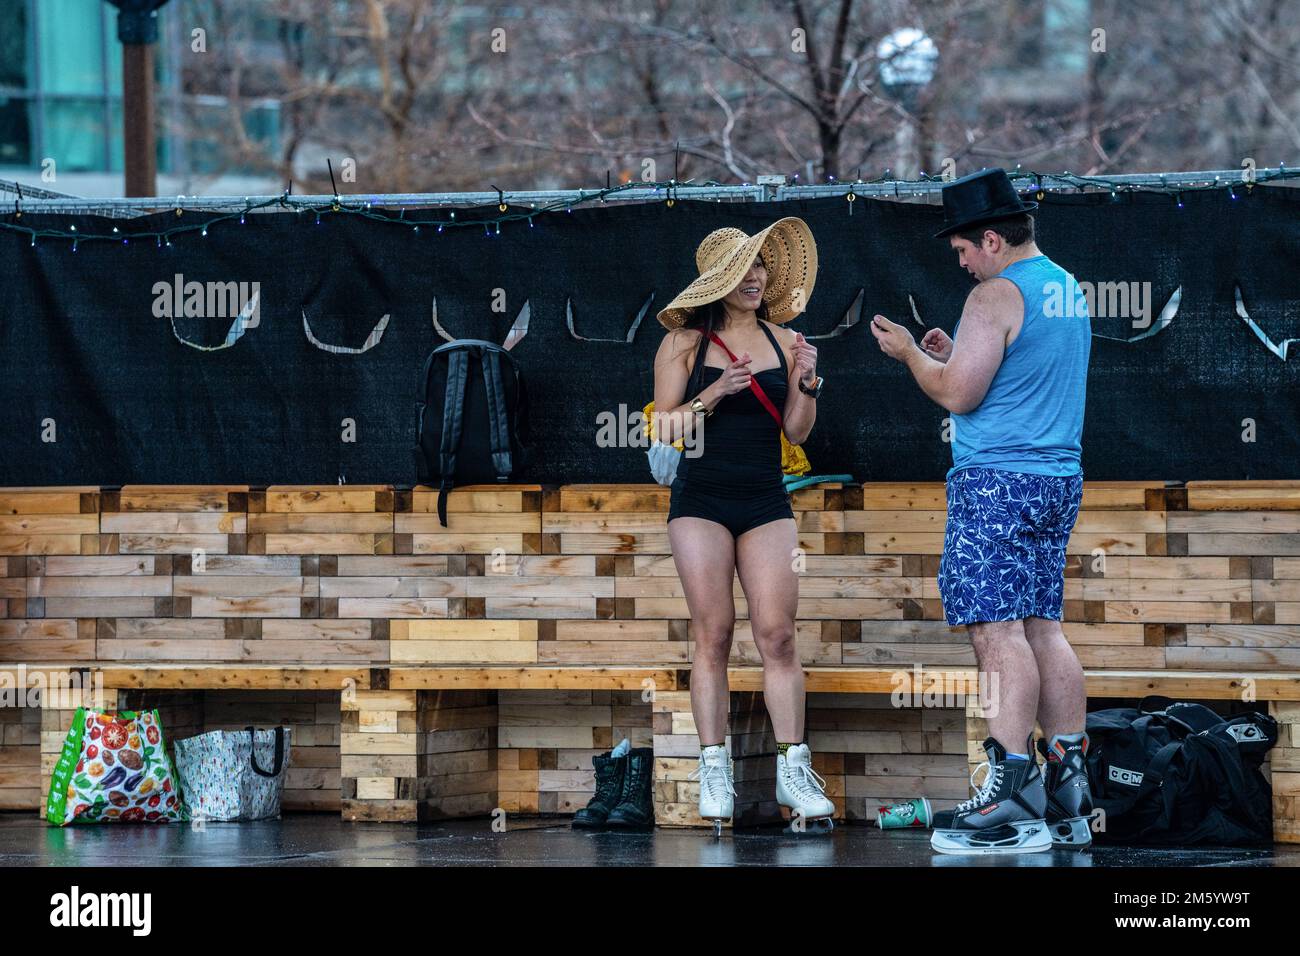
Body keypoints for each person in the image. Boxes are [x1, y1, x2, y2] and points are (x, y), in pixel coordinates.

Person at [870, 169, 1094, 855]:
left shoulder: (995, 294)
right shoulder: (1067, 286)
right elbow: (1014, 372)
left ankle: (1012, 798)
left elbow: (958, 396)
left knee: (997, 633)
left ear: (992, 239)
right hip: (1056, 479)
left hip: (997, 482)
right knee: (1043, 627)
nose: (963, 263)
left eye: (964, 249)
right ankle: (1068, 793)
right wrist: (954, 354)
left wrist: (912, 355)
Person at [652, 217, 833, 832]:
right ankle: (714, 769)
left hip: (764, 498)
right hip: (700, 499)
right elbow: (664, 427)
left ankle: (793, 769)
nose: (755, 277)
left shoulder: (785, 340)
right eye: (742, 269)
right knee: (715, 633)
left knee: (777, 635)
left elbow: (796, 433)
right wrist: (716, 393)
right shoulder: (683, 344)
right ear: (717, 282)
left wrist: (807, 381)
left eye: (759, 265)